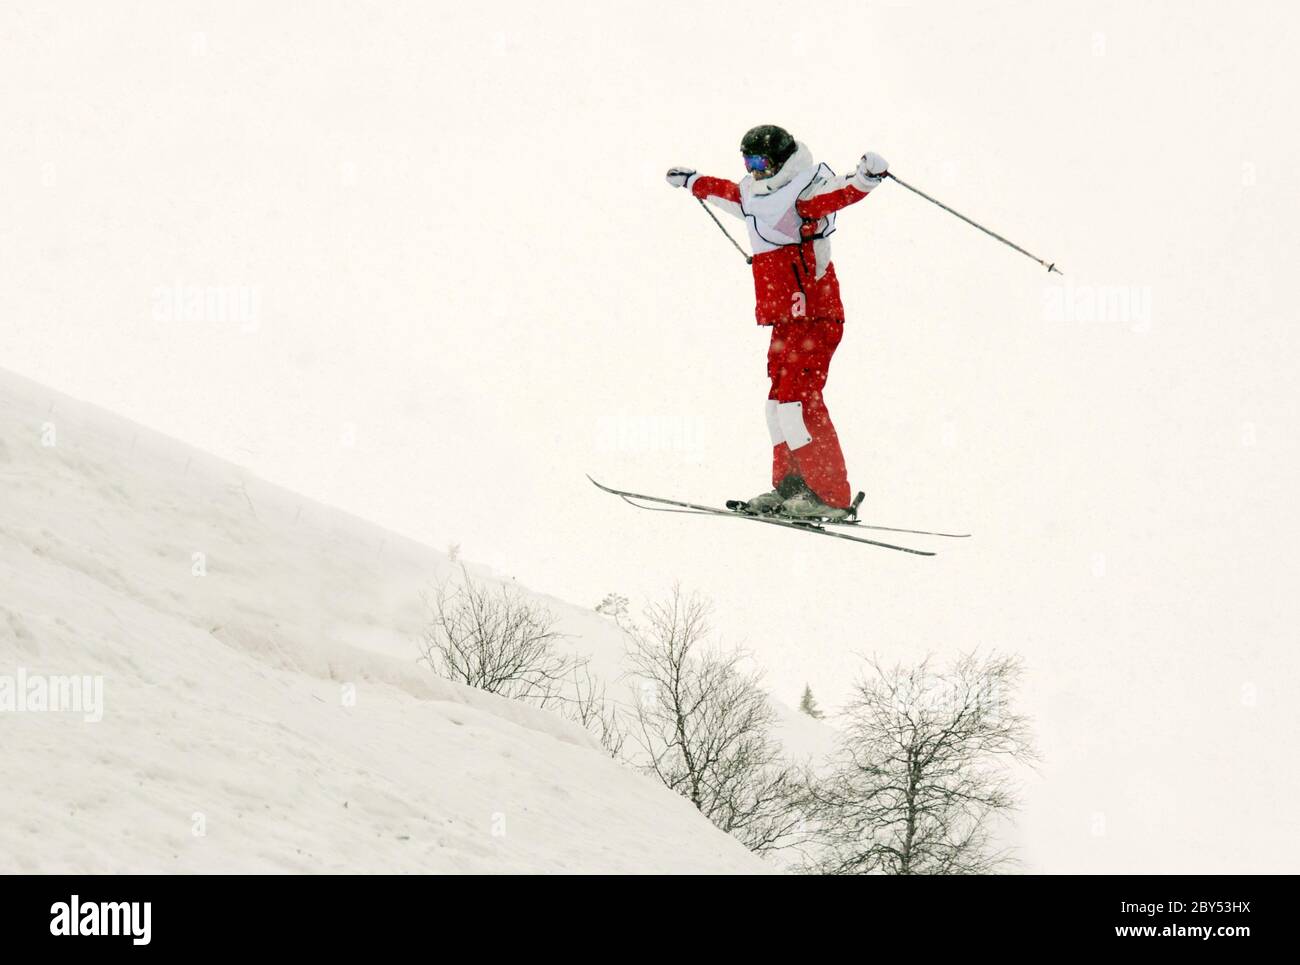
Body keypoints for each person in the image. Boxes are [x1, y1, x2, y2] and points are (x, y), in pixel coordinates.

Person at [665, 125, 888, 520]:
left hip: (816, 316)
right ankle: (792, 488)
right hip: (785, 320)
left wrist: (866, 179)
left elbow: (842, 192)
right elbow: (728, 194)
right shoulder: (754, 193)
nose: (755, 172)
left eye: (762, 163)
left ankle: (830, 495)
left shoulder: (805, 192)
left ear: (781, 160)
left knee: (798, 405)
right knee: (776, 406)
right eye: (748, 163)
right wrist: (693, 182)